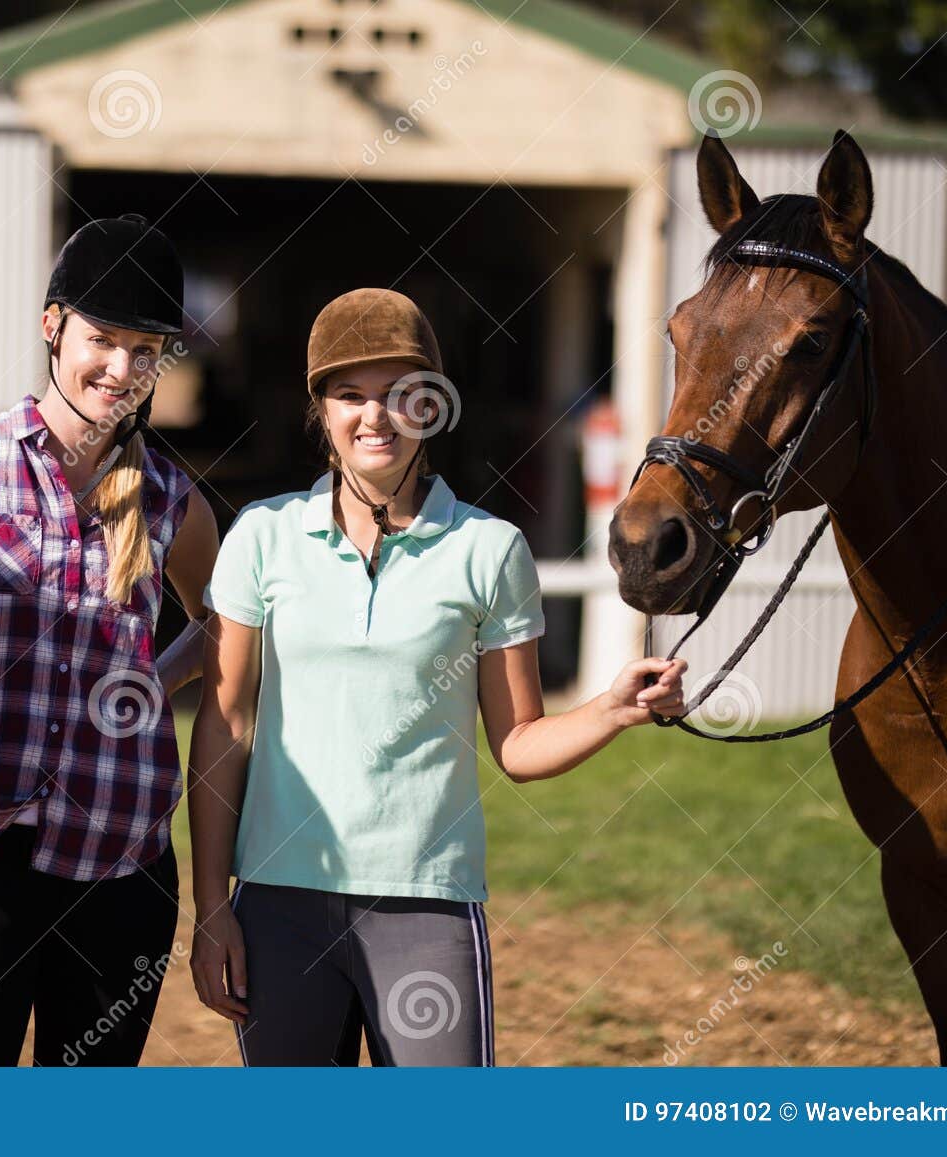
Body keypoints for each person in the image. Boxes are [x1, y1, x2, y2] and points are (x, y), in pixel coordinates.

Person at [186, 288, 685, 1066]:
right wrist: (211, 906)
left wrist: (614, 709)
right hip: (279, 901)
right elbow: (225, 727)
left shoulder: (490, 551)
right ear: (320, 409)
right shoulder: (262, 537)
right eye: (350, 394)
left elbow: (517, 742)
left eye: (400, 394)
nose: (374, 417)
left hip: (429, 906)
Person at [0, 214, 218, 1066]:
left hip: (122, 862)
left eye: (147, 350)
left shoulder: (175, 501)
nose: (123, 369)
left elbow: (224, 625)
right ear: (53, 325)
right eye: (103, 339)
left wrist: (150, 683)